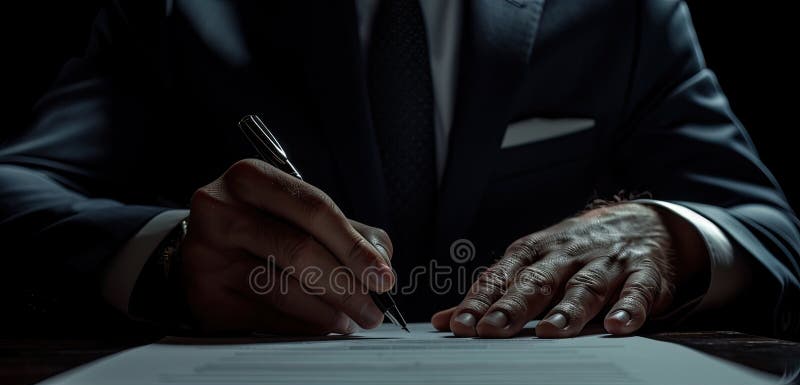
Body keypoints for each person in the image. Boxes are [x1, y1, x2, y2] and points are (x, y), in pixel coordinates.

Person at [0, 0, 798, 339]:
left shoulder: (621, 14)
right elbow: (16, 193)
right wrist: (170, 258)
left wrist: (667, 232)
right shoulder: (180, 11)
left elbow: (768, 232)